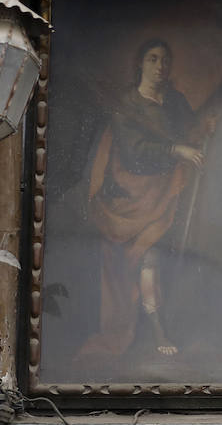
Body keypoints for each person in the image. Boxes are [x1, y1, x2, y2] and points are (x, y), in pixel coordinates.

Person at [78, 38, 208, 362]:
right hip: (131, 195)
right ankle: (157, 330)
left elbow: (191, 130)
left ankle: (158, 326)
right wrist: (176, 150)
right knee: (146, 258)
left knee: (159, 258)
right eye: (153, 59)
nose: (160, 66)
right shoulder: (128, 104)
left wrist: (205, 128)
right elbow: (133, 155)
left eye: (165, 60)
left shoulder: (174, 101)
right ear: (140, 64)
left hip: (167, 192)